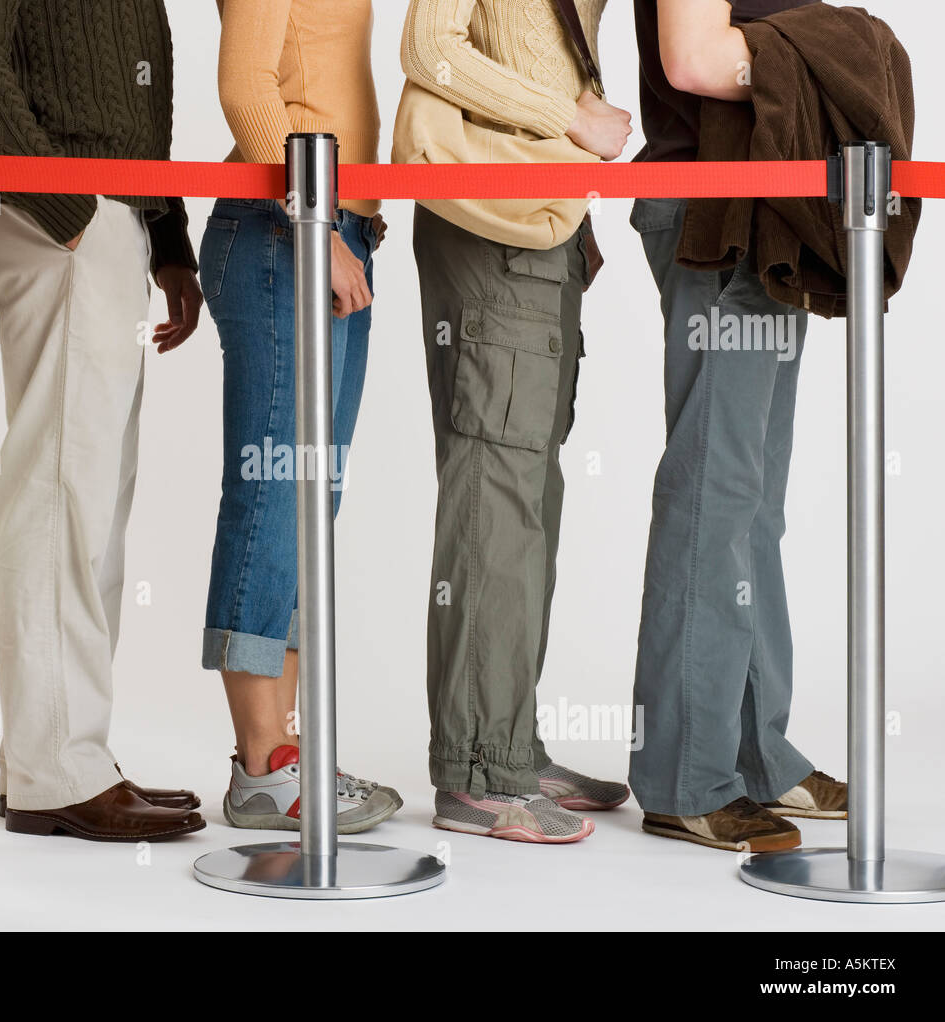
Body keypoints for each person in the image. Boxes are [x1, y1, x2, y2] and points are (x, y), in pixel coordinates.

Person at [0, 0, 207, 842]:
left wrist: (165, 238)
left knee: (93, 503)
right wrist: (70, 209)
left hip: (110, 220)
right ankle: (54, 771)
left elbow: (132, 101)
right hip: (65, 225)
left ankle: (69, 756)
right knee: (61, 492)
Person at [395, 0, 633, 844]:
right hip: (495, 231)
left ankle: (511, 746)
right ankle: (475, 771)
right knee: (495, 483)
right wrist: (571, 118)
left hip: (542, 227)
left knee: (529, 494)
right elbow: (428, 46)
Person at [629, 0, 847, 852]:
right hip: (711, 215)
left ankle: (757, 752)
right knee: (712, 495)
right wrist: (823, 57)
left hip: (764, 212)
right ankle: (687, 776)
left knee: (753, 503)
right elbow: (690, 60)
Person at [201, 0, 403, 833]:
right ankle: (264, 767)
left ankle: (287, 752)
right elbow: (246, 87)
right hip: (285, 230)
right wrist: (315, 226)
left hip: (332, 224)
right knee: (273, 497)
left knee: (308, 505)